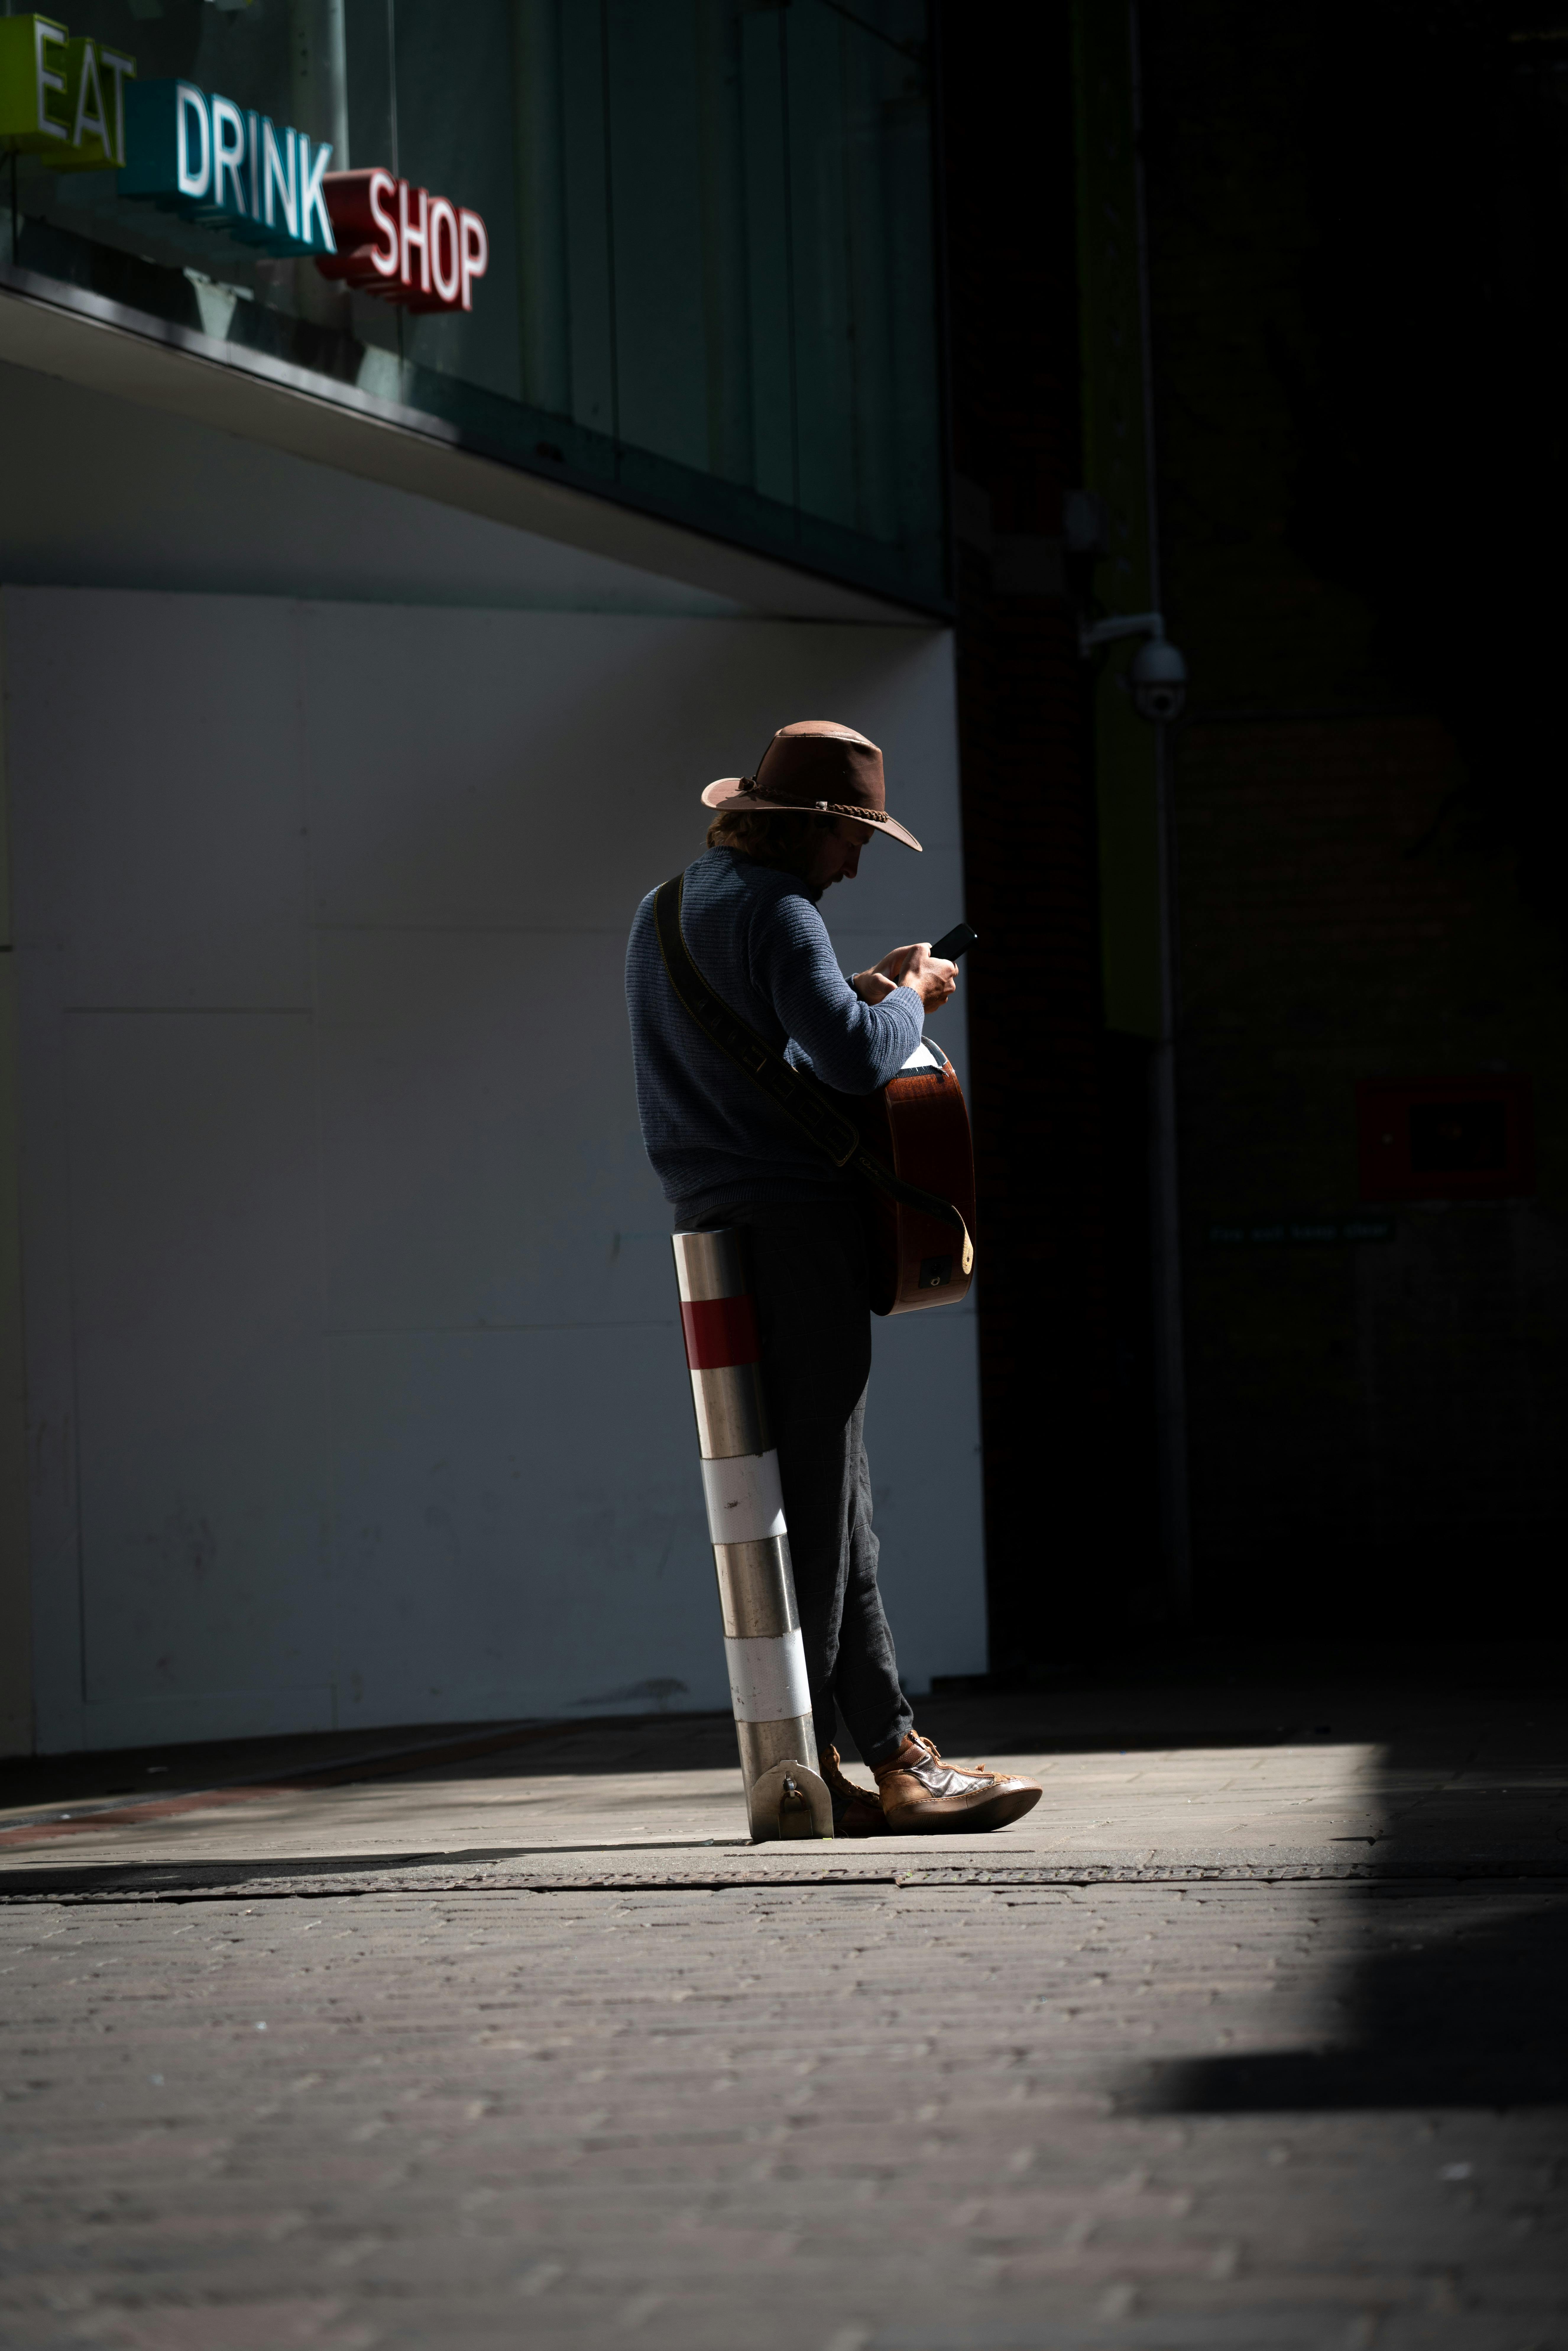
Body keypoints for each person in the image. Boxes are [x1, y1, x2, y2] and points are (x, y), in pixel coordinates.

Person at [625, 719, 1041, 1837]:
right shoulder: (779, 909)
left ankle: (877, 1756)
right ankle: (835, 1762)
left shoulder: (662, 911)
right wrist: (914, 994)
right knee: (826, 1504)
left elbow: (753, 1051)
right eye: (853, 839)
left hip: (711, 1232)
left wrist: (857, 993)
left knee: (809, 1498)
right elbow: (858, 1060)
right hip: (797, 1233)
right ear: (807, 828)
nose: (856, 864)